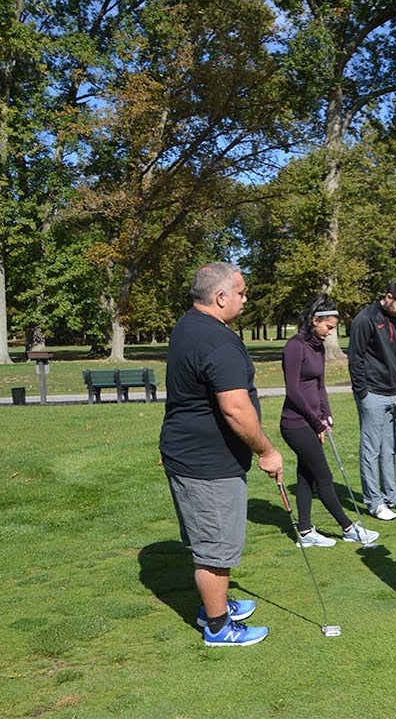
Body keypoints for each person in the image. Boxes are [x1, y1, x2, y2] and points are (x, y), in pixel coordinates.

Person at [160, 262, 284, 647]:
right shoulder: (217, 341)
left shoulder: (189, 325)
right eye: (242, 292)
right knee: (215, 547)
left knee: (210, 540)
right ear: (220, 297)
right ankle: (217, 626)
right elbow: (235, 408)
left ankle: (217, 606)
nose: (246, 299)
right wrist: (266, 450)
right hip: (206, 463)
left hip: (190, 453)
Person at [280, 294, 381, 548]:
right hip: (295, 423)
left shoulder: (317, 346)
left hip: (313, 421)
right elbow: (293, 391)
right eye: (329, 327)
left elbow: (319, 385)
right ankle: (348, 528)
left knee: (306, 477)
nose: (330, 332)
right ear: (315, 321)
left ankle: (305, 533)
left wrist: (326, 414)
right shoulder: (295, 347)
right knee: (324, 477)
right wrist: (316, 422)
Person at [347, 280, 396, 521]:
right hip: (372, 393)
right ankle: (374, 501)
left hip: (395, 393)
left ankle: (392, 495)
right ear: (388, 297)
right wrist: (363, 393)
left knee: (390, 448)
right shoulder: (365, 320)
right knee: (371, 450)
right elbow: (355, 359)